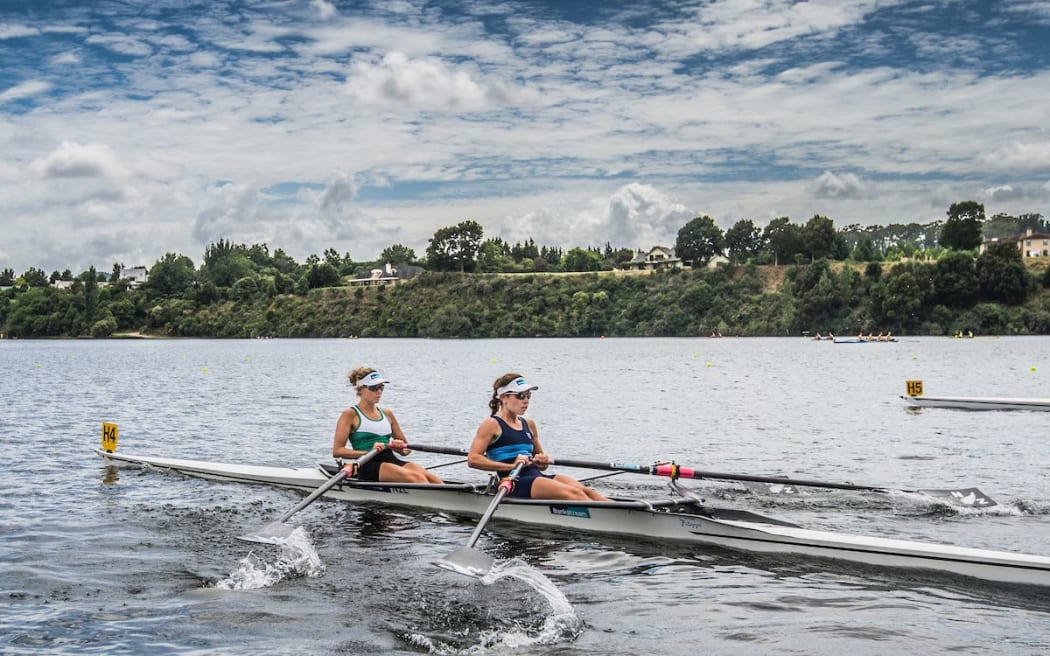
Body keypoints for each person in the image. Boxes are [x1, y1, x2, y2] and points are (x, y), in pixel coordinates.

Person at [466, 373, 609, 501]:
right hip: (512, 482)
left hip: (536, 476)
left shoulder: (528, 423)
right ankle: (604, 519)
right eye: (520, 395)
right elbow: (473, 459)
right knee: (575, 495)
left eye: (528, 395)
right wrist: (511, 466)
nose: (526, 400)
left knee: (587, 491)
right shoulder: (492, 424)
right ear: (504, 398)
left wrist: (542, 461)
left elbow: (543, 465)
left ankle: (626, 516)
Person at [332, 367, 442, 484]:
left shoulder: (387, 414)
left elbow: (407, 450)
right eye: (374, 388)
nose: (379, 391)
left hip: (391, 460)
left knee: (434, 480)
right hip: (368, 464)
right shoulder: (349, 414)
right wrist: (370, 451)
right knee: (417, 479)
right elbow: (337, 451)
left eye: (381, 387)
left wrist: (399, 447)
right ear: (360, 389)